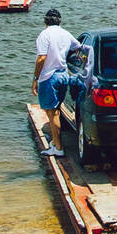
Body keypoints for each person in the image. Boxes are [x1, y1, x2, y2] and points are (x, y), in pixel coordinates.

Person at [32, 8, 79, 158]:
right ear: (59, 21)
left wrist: (35, 79)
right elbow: (79, 48)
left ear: (45, 21)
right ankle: (55, 142)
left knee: (51, 114)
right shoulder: (65, 34)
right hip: (63, 75)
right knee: (56, 111)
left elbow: (41, 59)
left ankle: (58, 147)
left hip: (49, 77)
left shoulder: (44, 35)